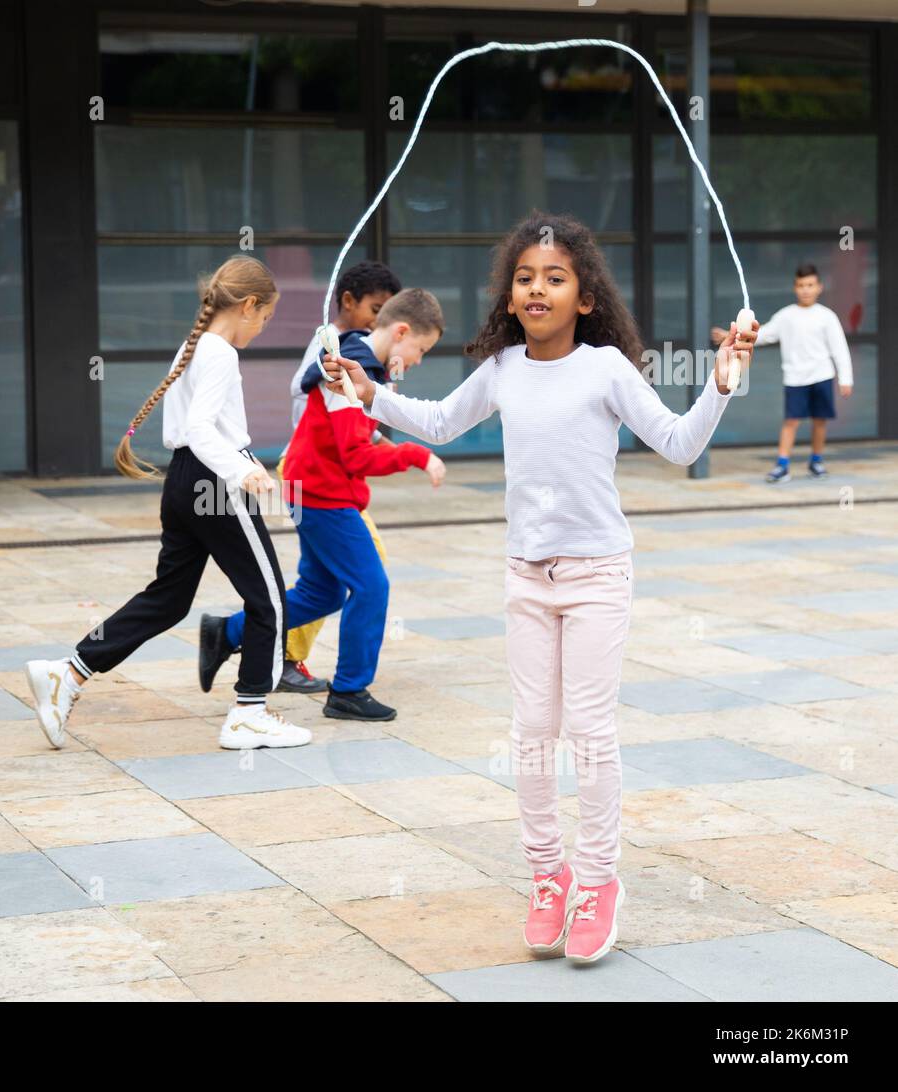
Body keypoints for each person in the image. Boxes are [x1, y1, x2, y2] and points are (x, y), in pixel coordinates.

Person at [329, 212, 757, 963]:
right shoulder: (501, 370)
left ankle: (597, 882)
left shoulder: (607, 370)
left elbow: (681, 446)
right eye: (525, 277)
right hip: (526, 577)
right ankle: (547, 877)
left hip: (596, 577)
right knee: (531, 736)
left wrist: (721, 384)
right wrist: (370, 392)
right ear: (509, 292)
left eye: (555, 278)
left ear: (585, 297)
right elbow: (436, 422)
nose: (537, 288)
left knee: (589, 736)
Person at [23, 256, 309, 752]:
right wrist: (243, 471)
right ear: (247, 305)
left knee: (169, 599)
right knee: (269, 599)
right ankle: (249, 713)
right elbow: (201, 429)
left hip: (184, 481)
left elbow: (191, 433)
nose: (262, 329)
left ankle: (66, 674)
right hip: (215, 482)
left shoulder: (195, 344)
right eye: (264, 318)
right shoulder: (219, 352)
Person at [202, 288, 446, 722]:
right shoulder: (349, 369)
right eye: (421, 349)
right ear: (402, 331)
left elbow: (347, 436)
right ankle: (349, 691)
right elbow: (353, 455)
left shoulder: (354, 361)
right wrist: (415, 454)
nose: (419, 360)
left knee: (323, 591)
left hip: (311, 486)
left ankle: (228, 631)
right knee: (371, 587)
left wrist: (378, 437)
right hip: (321, 493)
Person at [277, 261, 402, 693]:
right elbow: (305, 390)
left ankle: (267, 647)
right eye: (375, 308)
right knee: (367, 571)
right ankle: (291, 658)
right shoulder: (332, 344)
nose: (378, 319)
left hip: (315, 469)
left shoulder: (355, 345)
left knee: (322, 581)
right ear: (347, 301)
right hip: (311, 469)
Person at [711, 262, 852, 483]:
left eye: (810, 285)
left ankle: (816, 461)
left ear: (819, 287)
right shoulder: (786, 316)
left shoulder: (827, 317)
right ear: (795, 288)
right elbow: (762, 334)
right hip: (795, 379)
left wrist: (846, 379)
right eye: (801, 285)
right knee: (791, 421)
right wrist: (732, 335)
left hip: (822, 376)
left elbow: (840, 349)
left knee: (820, 421)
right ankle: (782, 465)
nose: (806, 289)